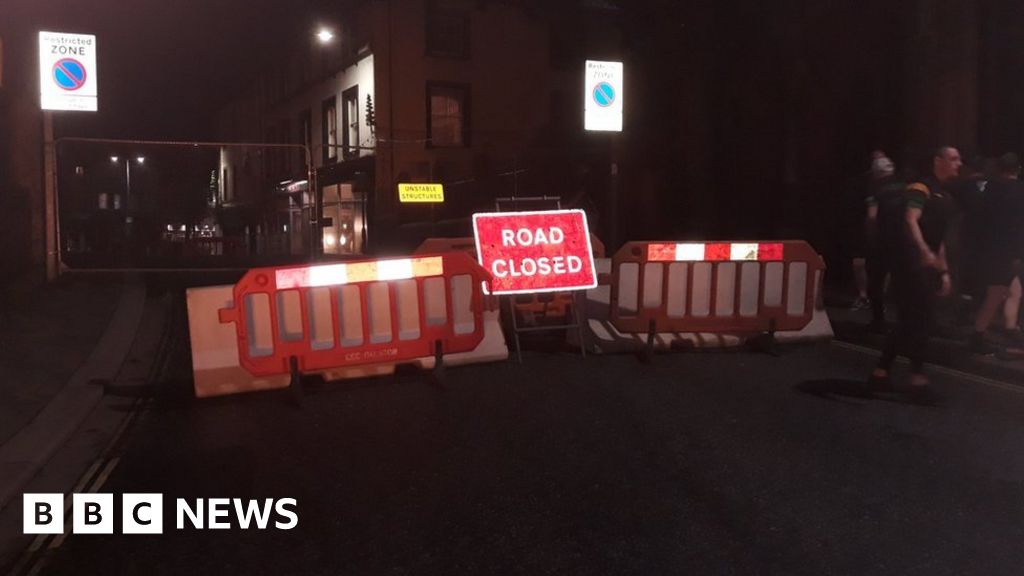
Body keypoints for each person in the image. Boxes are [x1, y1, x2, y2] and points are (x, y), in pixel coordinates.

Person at [868, 146, 961, 403]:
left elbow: (940, 239)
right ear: (937, 160)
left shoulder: (945, 196)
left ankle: (881, 372)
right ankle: (916, 379)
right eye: (953, 158)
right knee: (921, 319)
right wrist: (922, 252)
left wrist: (943, 270)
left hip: (926, 266)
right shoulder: (920, 189)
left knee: (913, 320)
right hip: (909, 265)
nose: (958, 163)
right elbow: (910, 219)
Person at [967, 153, 1024, 354]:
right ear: (1018, 169)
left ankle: (1010, 327)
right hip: (1008, 250)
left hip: (988, 247)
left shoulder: (988, 188)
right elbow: (1018, 225)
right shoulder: (1019, 191)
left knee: (1013, 289)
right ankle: (978, 335)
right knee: (996, 294)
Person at [863, 155, 902, 330]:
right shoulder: (904, 187)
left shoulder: (875, 189)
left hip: (882, 241)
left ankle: (878, 320)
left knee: (876, 280)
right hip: (902, 240)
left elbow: (872, 216)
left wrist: (871, 236)